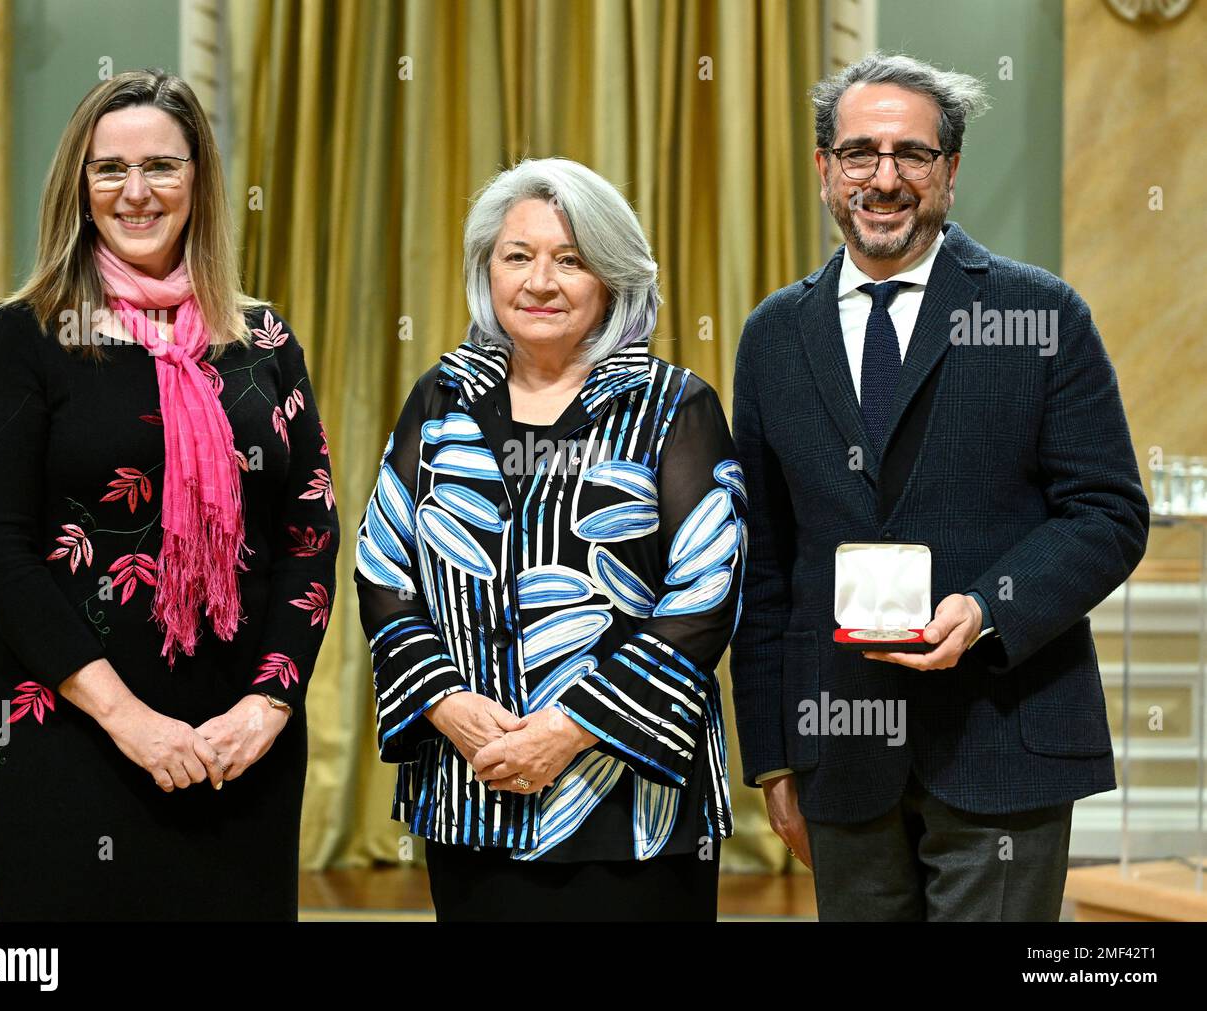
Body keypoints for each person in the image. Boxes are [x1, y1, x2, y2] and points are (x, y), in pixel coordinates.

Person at [730, 53, 1149, 921]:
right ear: (824, 171)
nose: (885, 179)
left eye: (912, 155)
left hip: (1007, 733)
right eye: (859, 153)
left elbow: (1108, 513)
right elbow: (762, 562)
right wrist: (772, 758)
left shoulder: (1043, 314)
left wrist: (988, 608)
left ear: (950, 172)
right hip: (839, 748)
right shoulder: (773, 335)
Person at [0, 70, 338, 920]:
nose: (136, 192)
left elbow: (310, 531)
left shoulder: (261, 338)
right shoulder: (25, 333)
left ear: (199, 178)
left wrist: (269, 706)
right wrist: (131, 722)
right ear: (78, 187)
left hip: (240, 741)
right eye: (108, 169)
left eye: (162, 165)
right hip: (69, 726)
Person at [354, 157, 745, 921]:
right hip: (474, 789)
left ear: (612, 278)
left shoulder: (674, 405)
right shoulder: (440, 398)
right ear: (486, 271)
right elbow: (381, 566)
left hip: (633, 810)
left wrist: (571, 728)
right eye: (518, 256)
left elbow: (707, 595)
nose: (540, 281)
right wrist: (443, 702)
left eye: (571, 260)